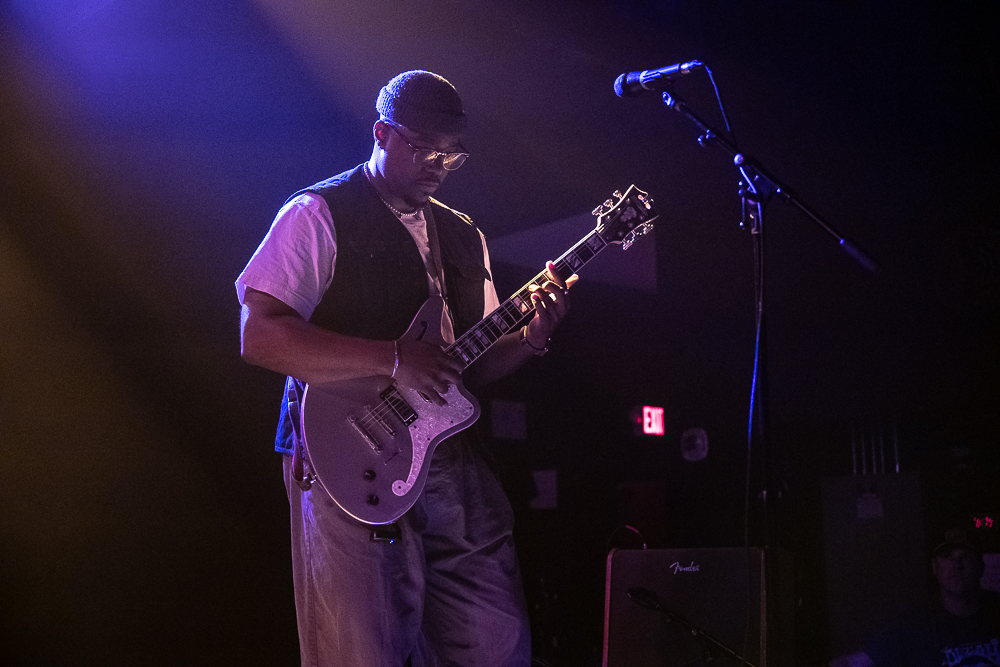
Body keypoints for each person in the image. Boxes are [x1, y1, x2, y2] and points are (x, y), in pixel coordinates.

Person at [236, 70, 576, 666]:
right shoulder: (318, 213)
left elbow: (467, 372)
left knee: (496, 645)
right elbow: (260, 336)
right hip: (345, 454)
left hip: (450, 460)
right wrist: (391, 359)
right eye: (424, 150)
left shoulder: (464, 235)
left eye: (452, 155)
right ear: (382, 134)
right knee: (363, 648)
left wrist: (529, 341)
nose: (439, 165)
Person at [832, 529, 999, 667]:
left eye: (966, 557)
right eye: (948, 556)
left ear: (981, 567)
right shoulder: (913, 626)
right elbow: (854, 662)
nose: (957, 565)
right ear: (934, 567)